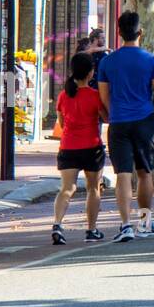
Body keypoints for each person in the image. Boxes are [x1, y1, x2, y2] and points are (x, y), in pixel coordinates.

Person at [97, 10, 154, 242]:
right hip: (144, 122)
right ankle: (145, 222)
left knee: (122, 174)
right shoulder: (150, 60)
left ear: (119, 32)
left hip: (119, 122)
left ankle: (125, 224)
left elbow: (104, 95)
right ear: (141, 32)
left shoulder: (107, 61)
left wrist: (114, 113)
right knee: (144, 173)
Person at [52, 53, 106, 245]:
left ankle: (57, 224)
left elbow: (61, 122)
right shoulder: (94, 95)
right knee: (93, 188)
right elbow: (105, 117)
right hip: (92, 146)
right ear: (91, 72)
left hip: (68, 147)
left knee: (67, 188)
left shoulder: (63, 95)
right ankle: (91, 230)